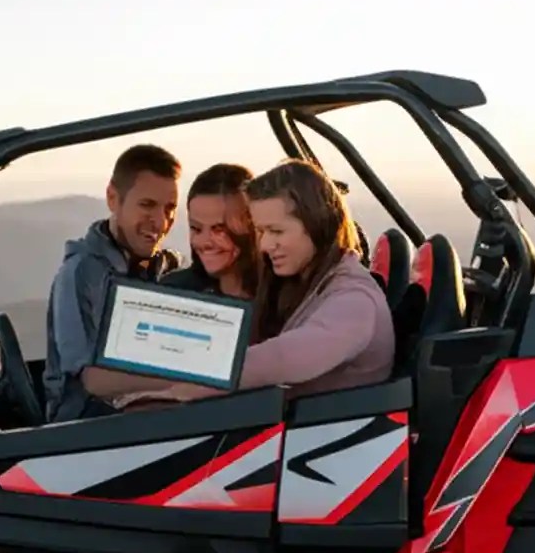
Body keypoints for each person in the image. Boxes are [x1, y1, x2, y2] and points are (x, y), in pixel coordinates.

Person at [116, 158, 395, 407]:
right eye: (260, 232)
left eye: (276, 231)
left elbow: (284, 359)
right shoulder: (312, 286)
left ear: (316, 224)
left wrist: (183, 389)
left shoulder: (353, 300)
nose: (265, 245)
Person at [42, 144, 185, 422]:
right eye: (147, 205)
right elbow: (91, 380)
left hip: (145, 408)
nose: (160, 221)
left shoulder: (171, 267)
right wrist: (191, 376)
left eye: (170, 208)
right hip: (84, 428)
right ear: (112, 199)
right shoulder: (80, 273)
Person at [160, 163, 259, 300]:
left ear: (253, 224)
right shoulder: (173, 290)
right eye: (196, 229)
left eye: (219, 229)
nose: (205, 242)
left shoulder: (285, 298)